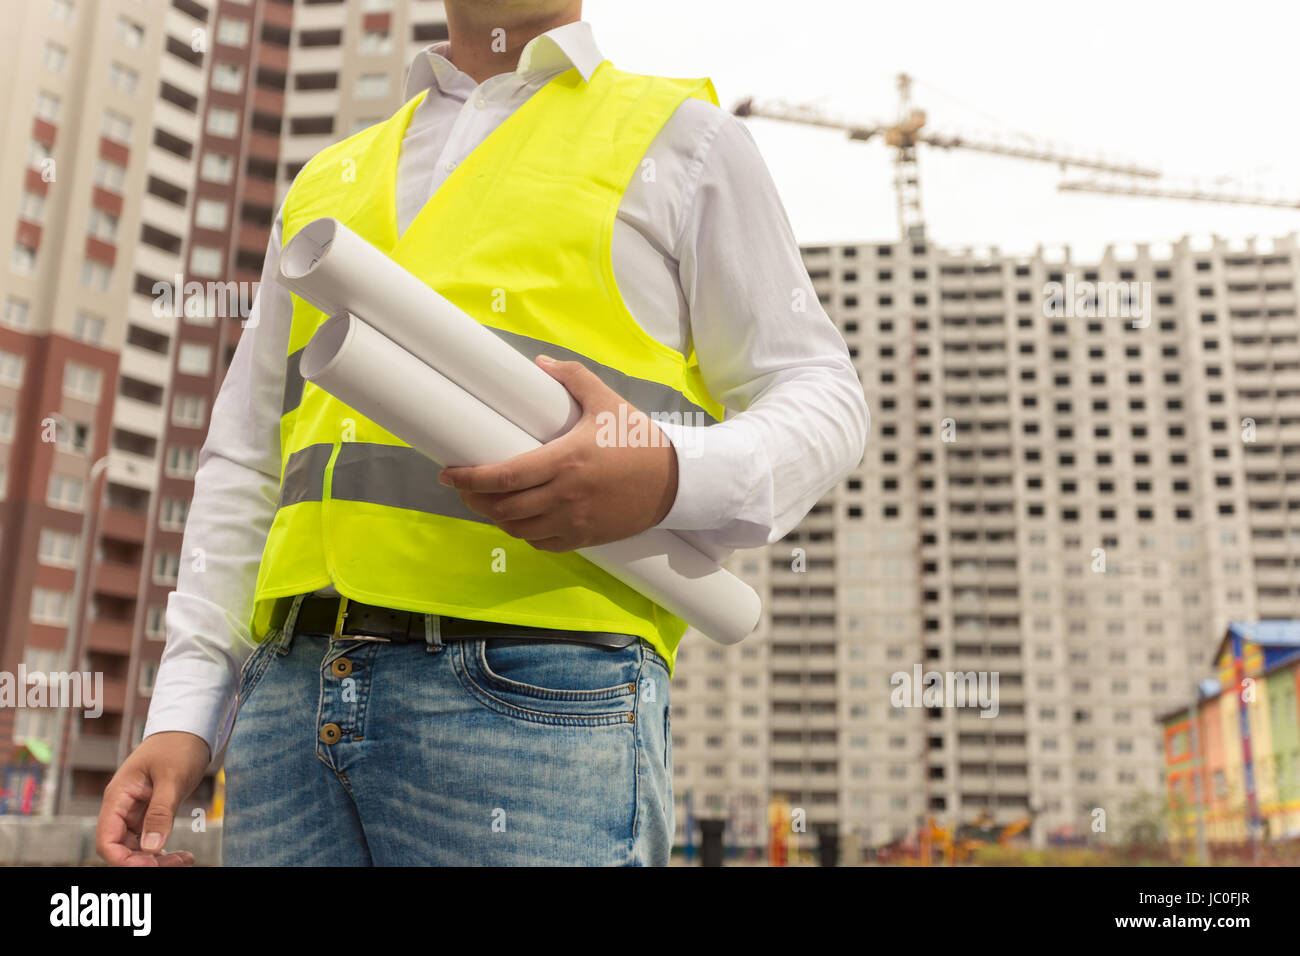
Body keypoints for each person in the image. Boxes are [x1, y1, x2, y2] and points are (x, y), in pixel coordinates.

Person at [95, 0, 868, 866]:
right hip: (288, 703)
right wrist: (187, 709)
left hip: (541, 693)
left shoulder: (685, 144)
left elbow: (822, 395)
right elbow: (246, 457)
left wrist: (665, 471)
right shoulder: (326, 184)